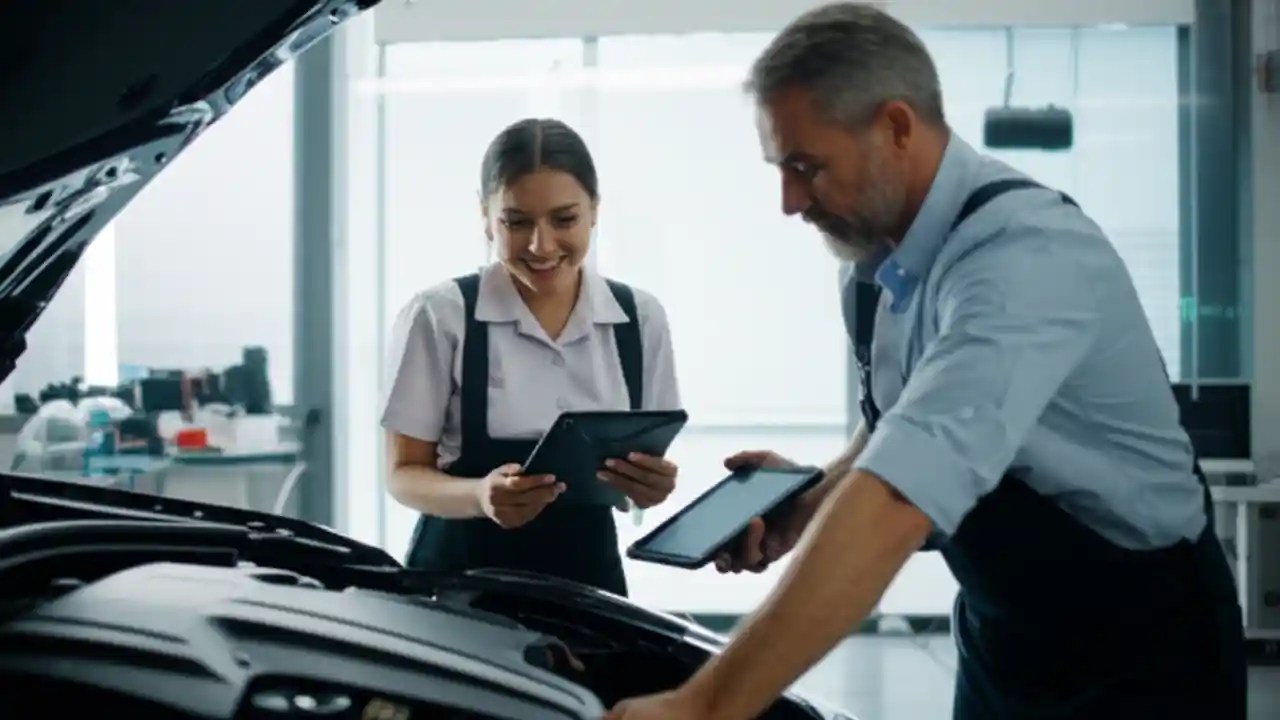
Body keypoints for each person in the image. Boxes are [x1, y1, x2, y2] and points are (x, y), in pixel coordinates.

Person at [606, 3, 1246, 719]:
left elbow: (900, 492)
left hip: (1139, 650)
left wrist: (703, 707)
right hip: (1003, 638)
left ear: (896, 128)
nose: (789, 201)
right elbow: (894, 431)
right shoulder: (876, 265)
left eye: (806, 166)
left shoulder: (1025, 260)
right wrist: (809, 502)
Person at [380, 117, 682, 597]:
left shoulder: (640, 317)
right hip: (458, 581)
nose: (542, 246)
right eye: (516, 222)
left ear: (595, 211)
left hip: (588, 581)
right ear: (485, 216)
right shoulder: (440, 315)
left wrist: (651, 487)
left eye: (565, 219)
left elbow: (644, 468)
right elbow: (402, 475)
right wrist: (480, 495)